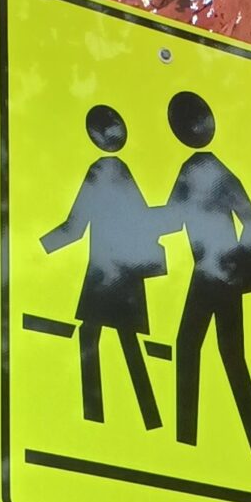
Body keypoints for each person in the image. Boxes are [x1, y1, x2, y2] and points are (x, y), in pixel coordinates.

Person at [160, 91, 251, 454]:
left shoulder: (216, 173)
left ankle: (188, 440)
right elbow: (172, 218)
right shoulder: (194, 171)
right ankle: (239, 440)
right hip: (209, 273)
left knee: (203, 349)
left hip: (216, 275)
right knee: (214, 352)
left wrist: (233, 264)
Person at [41, 104, 165, 430]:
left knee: (93, 338)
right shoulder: (123, 173)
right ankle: (149, 417)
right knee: (123, 341)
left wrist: (36, 248)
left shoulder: (102, 172)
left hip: (106, 273)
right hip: (122, 273)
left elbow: (75, 225)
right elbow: (140, 222)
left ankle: (95, 415)